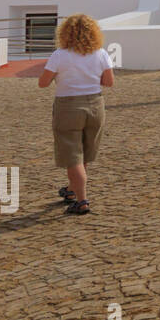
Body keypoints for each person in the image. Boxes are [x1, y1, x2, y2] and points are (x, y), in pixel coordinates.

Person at [39, 13, 114, 216]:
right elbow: (108, 81)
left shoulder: (60, 55)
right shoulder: (101, 53)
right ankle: (72, 190)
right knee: (84, 151)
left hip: (68, 106)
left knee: (73, 155)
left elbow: (43, 82)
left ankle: (81, 200)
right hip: (95, 105)